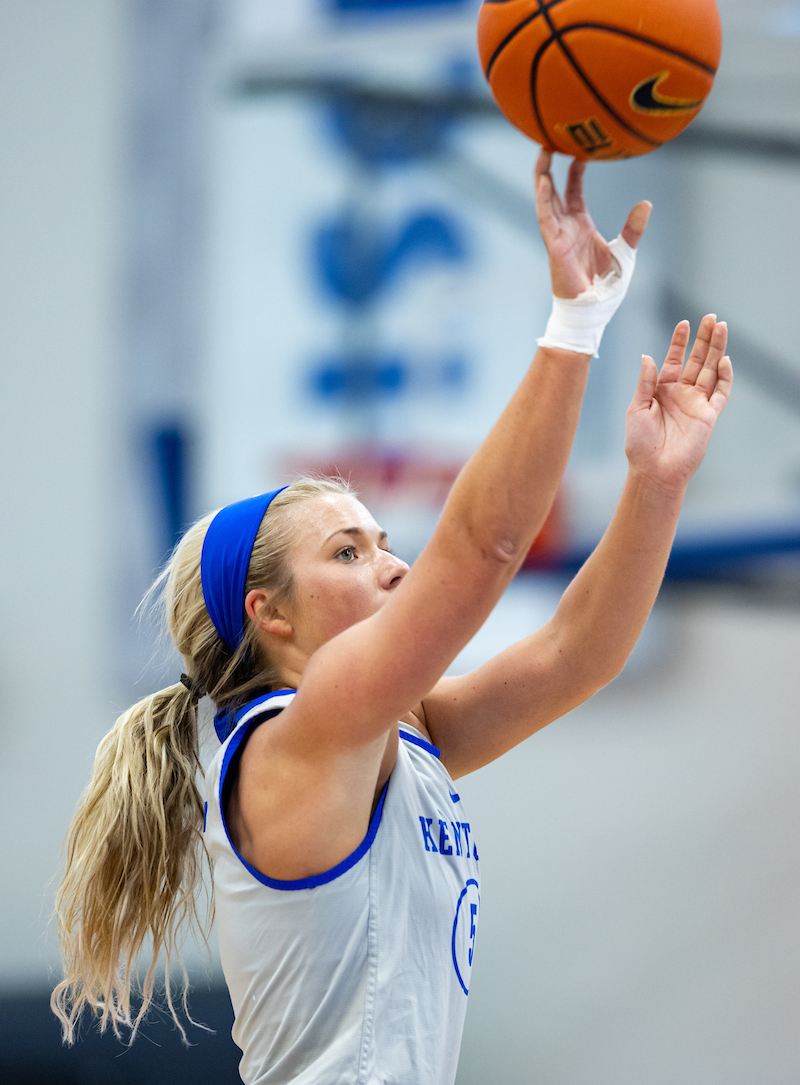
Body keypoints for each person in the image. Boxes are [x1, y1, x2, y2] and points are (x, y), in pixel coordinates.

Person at [51, 151, 732, 1085]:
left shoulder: (398, 734)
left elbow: (579, 652)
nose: (394, 563)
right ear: (271, 616)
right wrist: (575, 323)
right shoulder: (300, 736)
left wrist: (657, 485)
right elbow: (484, 547)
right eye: (348, 551)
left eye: (378, 539)